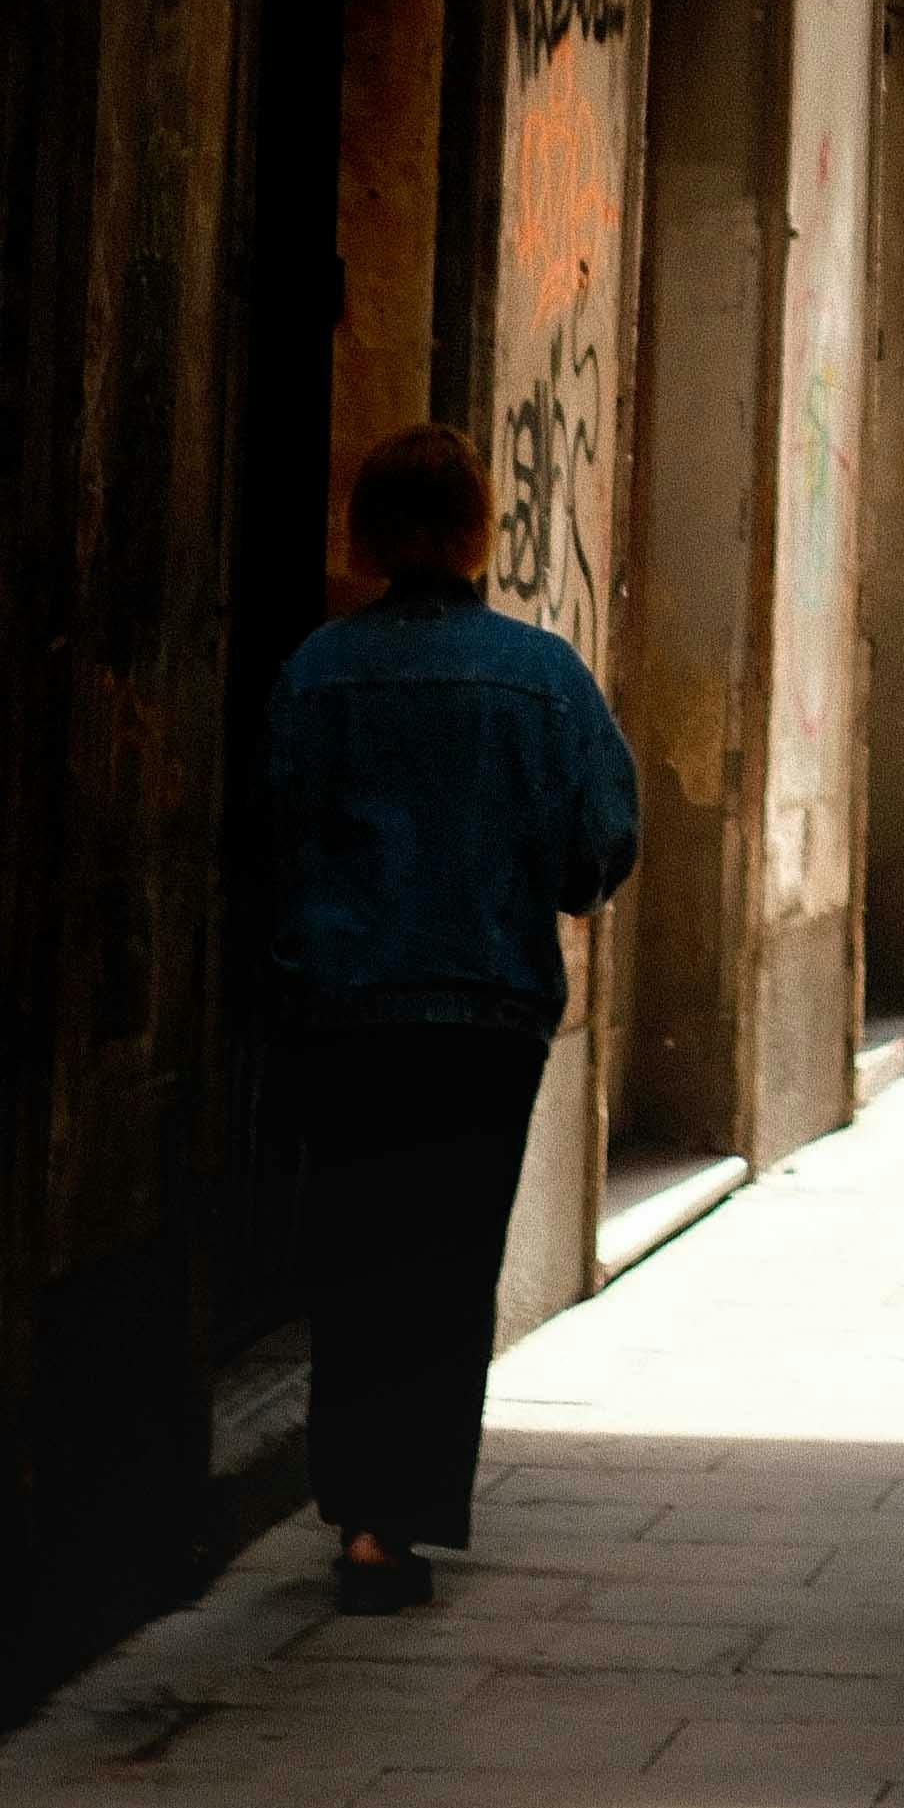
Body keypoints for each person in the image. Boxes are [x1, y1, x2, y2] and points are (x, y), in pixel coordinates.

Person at [266, 420, 641, 1611]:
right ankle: (400, 1519)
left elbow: (272, 837)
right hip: (487, 1015)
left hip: (348, 1010)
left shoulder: (316, 671)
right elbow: (601, 844)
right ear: (480, 528)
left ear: (368, 531)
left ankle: (359, 1513)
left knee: (354, 1254)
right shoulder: (544, 676)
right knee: (448, 1259)